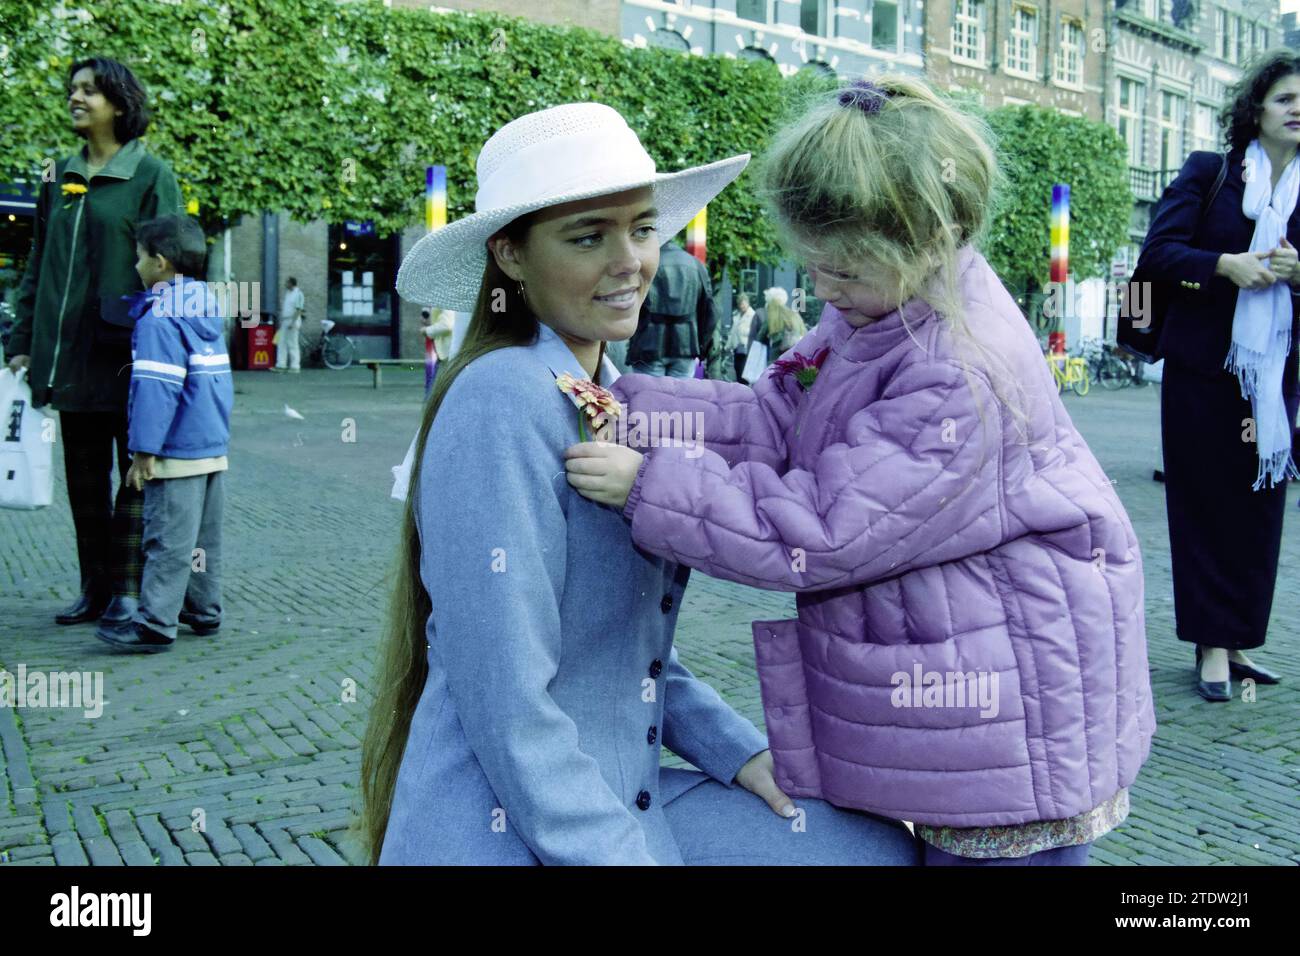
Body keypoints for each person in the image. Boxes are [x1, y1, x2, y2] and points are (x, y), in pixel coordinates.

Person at [565, 77, 1155, 865]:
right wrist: (633, 409)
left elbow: (828, 530)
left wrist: (649, 486)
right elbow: (776, 417)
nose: (821, 290)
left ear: (926, 241)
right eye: (814, 268)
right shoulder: (876, 312)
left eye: (840, 272)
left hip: (1011, 708)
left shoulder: (958, 370)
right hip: (967, 676)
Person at [360, 102, 918, 866]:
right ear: (511, 257)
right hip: (515, 824)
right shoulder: (501, 398)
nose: (630, 261)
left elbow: (623, 655)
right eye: (589, 235)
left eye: (643, 228)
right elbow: (505, 698)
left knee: (869, 849)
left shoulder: (610, 393)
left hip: (624, 788)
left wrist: (737, 751)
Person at [1136, 50, 1299, 700]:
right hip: (1203, 371)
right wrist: (1224, 265)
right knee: (1204, 507)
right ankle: (1208, 645)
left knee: (1258, 514)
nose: (1298, 108)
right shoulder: (1213, 173)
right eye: (1287, 97)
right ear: (1255, 108)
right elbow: (1158, 253)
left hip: (1275, 377)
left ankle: (1237, 644)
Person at [6, 56, 184, 633]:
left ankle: (127, 594)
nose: (76, 98)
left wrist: (167, 343)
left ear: (118, 102)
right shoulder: (57, 175)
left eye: (89, 90)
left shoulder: (151, 174)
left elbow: (173, 269)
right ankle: (93, 588)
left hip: (132, 355)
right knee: (84, 481)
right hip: (70, 356)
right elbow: (38, 262)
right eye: (72, 90)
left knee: (133, 478)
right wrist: (23, 337)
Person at [99, 215, 232, 652]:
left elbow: (157, 390)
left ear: (159, 263)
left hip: (176, 447)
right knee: (203, 540)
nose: (135, 263)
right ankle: (203, 610)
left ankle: (155, 623)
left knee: (167, 539)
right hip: (211, 444)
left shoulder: (159, 320)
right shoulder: (206, 306)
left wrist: (143, 451)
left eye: (139, 256)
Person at [625, 239, 717, 378]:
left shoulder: (645, 265)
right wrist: (703, 347)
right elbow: (709, 311)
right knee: (679, 397)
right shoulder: (696, 265)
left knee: (649, 397)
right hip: (686, 346)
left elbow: (630, 304)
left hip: (648, 345)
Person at [419, 306, 454, 396]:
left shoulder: (445, 298)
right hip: (441, 351)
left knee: (433, 389)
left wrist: (427, 330)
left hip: (446, 352)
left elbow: (447, 325)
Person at [274, 277, 305, 372]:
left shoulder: (298, 294)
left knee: (292, 344)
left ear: (291, 283)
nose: (285, 284)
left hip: (292, 321)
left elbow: (299, 309)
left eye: (287, 282)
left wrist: (293, 322)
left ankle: (295, 366)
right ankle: (281, 365)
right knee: (281, 342)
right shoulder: (288, 293)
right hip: (285, 320)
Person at [725, 292, 755, 383]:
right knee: (737, 369)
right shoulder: (737, 315)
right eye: (740, 304)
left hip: (746, 348)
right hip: (737, 347)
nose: (742, 306)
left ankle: (745, 391)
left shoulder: (752, 315)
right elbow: (733, 332)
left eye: (743, 303)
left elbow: (753, 332)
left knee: (743, 372)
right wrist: (727, 346)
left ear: (747, 303)